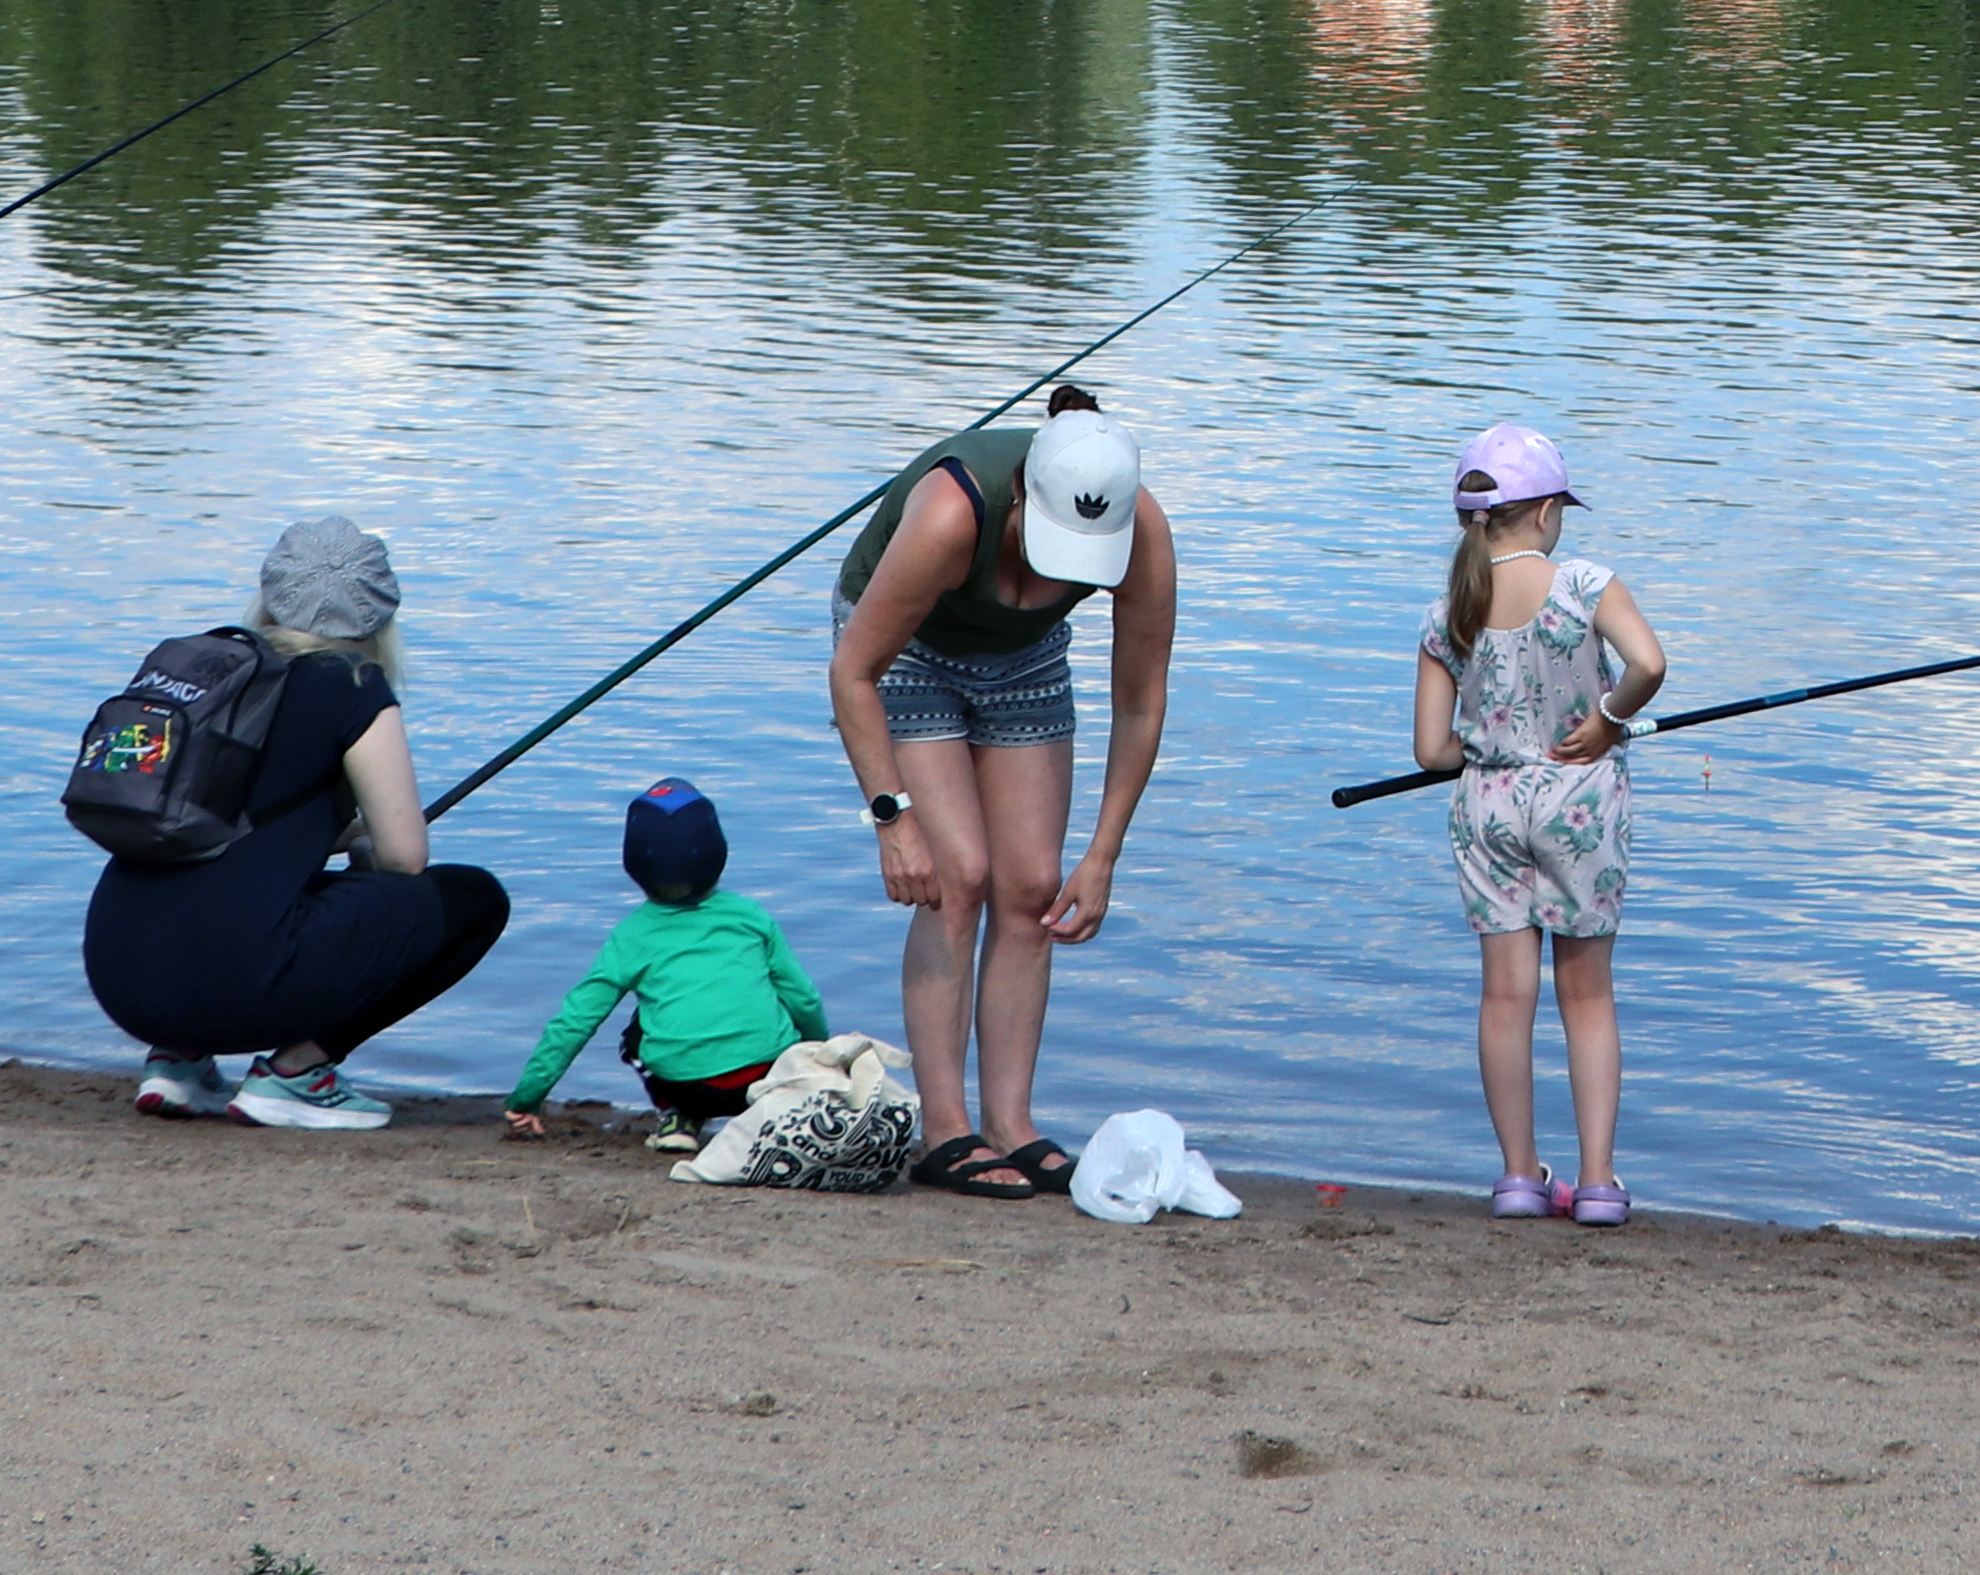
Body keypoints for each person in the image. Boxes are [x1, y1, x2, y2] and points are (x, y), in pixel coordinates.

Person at [824, 381, 1173, 1202]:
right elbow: (853, 671)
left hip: (1024, 657)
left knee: (1032, 887)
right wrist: (891, 816)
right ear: (1021, 495)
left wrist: (1105, 853)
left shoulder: (1143, 533)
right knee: (956, 876)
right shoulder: (952, 515)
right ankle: (945, 1126)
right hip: (906, 652)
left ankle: (1011, 1123)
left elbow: (1140, 701)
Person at [92, 516, 510, 1129]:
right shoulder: (352, 687)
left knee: (250, 888)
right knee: (472, 900)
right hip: (228, 980)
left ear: (270, 593)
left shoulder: (207, 671)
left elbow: (226, 830)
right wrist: (366, 850)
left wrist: (335, 837)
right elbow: (404, 860)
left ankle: (179, 1064)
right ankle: (296, 1073)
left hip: (120, 973)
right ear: (378, 613)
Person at [1408, 425, 1668, 1223]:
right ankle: (1596, 1183)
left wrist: (1483, 750)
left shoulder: (1450, 606)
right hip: (1580, 801)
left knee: (1504, 997)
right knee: (1585, 996)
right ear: (1549, 511)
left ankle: (1520, 1177)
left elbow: (1429, 750)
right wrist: (1609, 719)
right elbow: (1649, 665)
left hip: (1487, 808)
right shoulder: (1586, 583)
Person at [499, 778, 828, 1154]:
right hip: (767, 1076)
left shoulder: (631, 935)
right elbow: (804, 998)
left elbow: (576, 1021)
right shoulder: (750, 916)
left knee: (637, 1034)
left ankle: (677, 1117)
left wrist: (527, 1097)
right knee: (771, 995)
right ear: (717, 852)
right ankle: (773, 1111)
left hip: (688, 1086)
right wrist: (817, 1056)